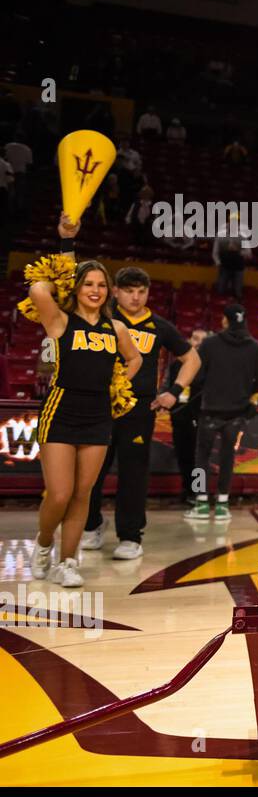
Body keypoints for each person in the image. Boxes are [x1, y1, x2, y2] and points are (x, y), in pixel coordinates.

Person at [29, 216, 143, 587]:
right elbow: (38, 289)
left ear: (109, 292)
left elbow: (135, 359)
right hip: (60, 413)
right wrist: (66, 243)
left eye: (101, 285)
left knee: (82, 494)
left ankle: (68, 562)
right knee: (59, 494)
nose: (95, 290)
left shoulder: (117, 328)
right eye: (88, 284)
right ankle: (44, 545)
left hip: (98, 418)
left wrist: (117, 385)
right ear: (76, 288)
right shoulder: (60, 322)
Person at [83, 267, 200, 561]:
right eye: (129, 291)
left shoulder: (158, 325)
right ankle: (91, 524)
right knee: (91, 471)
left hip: (139, 409)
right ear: (116, 292)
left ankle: (130, 536)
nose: (135, 297)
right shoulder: (103, 319)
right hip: (100, 405)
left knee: (133, 474)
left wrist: (173, 390)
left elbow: (192, 358)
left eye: (141, 291)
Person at [186, 304, 258, 521]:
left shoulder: (209, 344)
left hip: (210, 411)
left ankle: (200, 503)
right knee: (227, 458)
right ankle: (223, 505)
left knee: (201, 458)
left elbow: (197, 377)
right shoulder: (255, 347)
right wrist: (250, 403)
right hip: (237, 413)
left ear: (224, 320)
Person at [165, 328, 209, 504]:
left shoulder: (210, 367)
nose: (197, 342)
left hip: (201, 418)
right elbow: (167, 387)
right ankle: (188, 490)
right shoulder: (176, 365)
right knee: (183, 456)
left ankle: (199, 493)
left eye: (202, 340)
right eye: (195, 338)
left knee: (198, 459)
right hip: (179, 417)